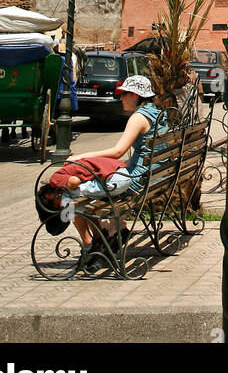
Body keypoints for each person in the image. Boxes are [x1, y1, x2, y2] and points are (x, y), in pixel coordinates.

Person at [62, 75, 167, 253]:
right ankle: (114, 230)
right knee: (97, 181)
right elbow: (143, 153)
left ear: (135, 95)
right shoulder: (156, 112)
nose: (120, 98)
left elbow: (118, 151)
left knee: (70, 194)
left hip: (136, 181)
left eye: (124, 93)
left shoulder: (138, 118)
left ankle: (91, 244)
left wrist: (81, 157)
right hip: (156, 175)